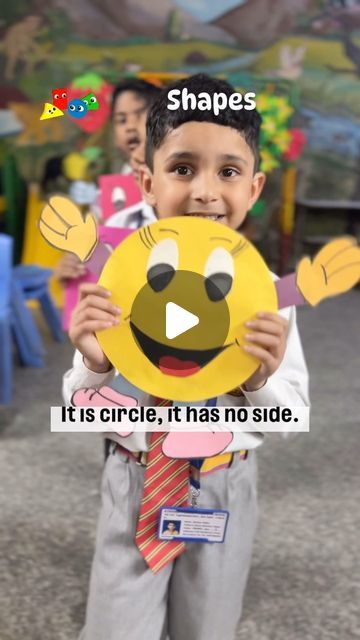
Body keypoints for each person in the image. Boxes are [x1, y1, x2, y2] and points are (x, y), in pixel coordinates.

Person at [63, 73, 309, 640]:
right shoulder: (119, 283)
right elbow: (81, 408)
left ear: (254, 187)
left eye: (228, 172)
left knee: (207, 628)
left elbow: (291, 417)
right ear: (147, 181)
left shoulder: (270, 296)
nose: (204, 191)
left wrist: (257, 382)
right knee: (113, 628)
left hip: (224, 486)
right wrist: (93, 366)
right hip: (135, 478)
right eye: (181, 169)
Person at [55, 79, 160, 283]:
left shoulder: (180, 180)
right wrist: (75, 265)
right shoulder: (108, 194)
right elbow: (99, 254)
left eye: (140, 115)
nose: (130, 126)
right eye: (121, 120)